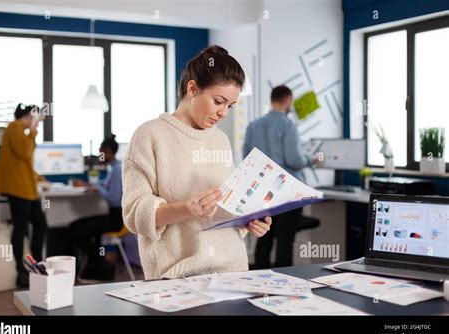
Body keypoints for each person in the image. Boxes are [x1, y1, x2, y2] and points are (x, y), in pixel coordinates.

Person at [122, 45, 272, 280]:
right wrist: (187, 209)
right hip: (176, 278)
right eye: (218, 101)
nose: (224, 113)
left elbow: (226, 204)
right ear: (192, 88)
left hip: (234, 272)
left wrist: (249, 220)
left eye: (230, 106)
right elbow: (134, 215)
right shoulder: (150, 135)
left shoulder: (220, 139)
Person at [243, 85, 319, 268]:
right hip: (287, 190)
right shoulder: (287, 124)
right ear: (288, 101)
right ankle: (285, 280)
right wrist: (311, 159)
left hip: (263, 191)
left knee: (264, 236)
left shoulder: (253, 125)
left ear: (272, 99)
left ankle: (258, 278)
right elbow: (294, 160)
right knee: (285, 239)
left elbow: (247, 158)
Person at [0, 103, 47, 287]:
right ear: (29, 117)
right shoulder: (14, 128)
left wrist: (41, 178)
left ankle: (36, 266)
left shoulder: (20, 132)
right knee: (20, 229)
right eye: (37, 121)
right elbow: (24, 152)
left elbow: (24, 163)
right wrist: (32, 130)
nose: (38, 125)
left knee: (40, 224)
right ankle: (21, 272)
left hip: (27, 189)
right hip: (18, 190)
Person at [70, 135, 123, 280]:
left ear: (108, 151)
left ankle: (96, 265)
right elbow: (104, 185)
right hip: (112, 214)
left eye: (101, 152)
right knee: (76, 225)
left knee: (79, 231)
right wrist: (89, 185)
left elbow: (113, 198)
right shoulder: (114, 168)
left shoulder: (118, 170)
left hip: (117, 217)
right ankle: (95, 264)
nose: (100, 156)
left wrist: (96, 189)